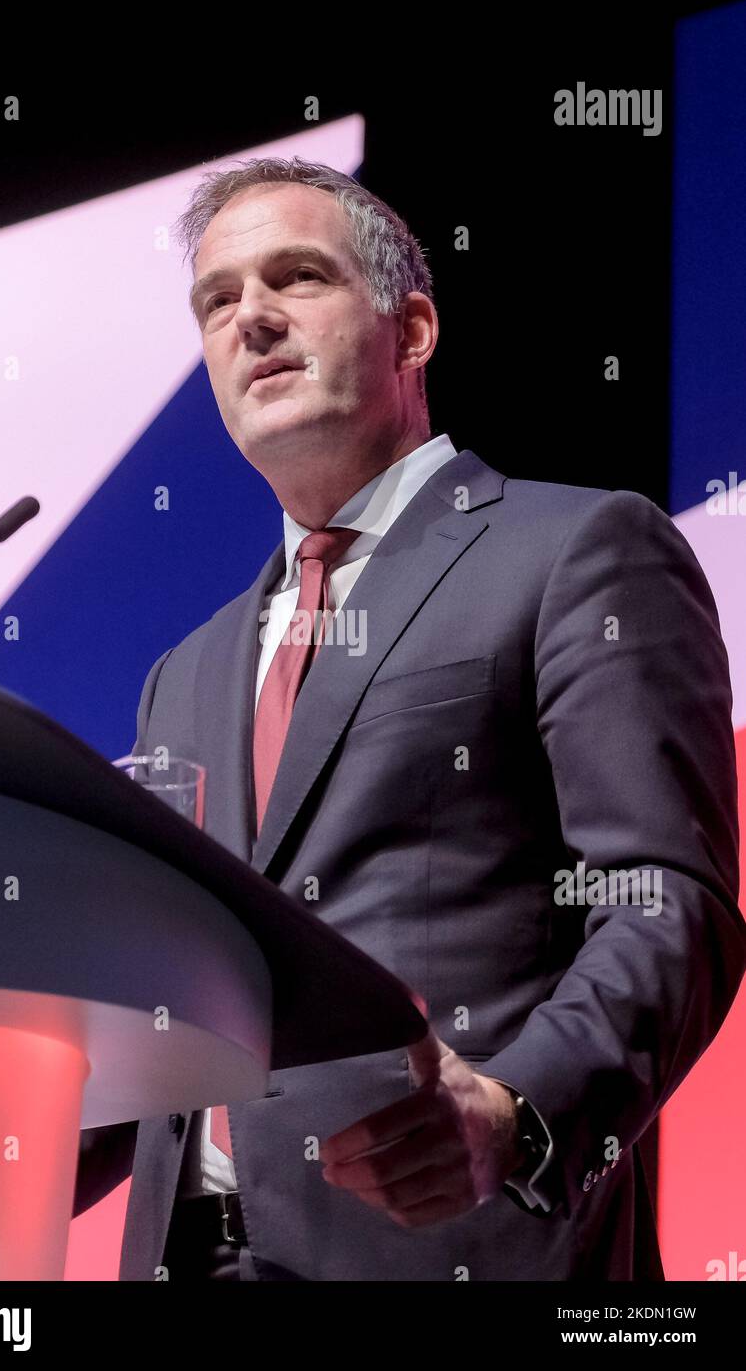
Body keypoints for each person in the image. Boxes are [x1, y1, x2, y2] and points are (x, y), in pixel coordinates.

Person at [74, 157, 745, 1281]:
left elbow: (663, 901)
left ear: (413, 328)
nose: (252, 320)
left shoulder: (577, 551)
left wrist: (515, 1114)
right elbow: (159, 1007)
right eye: (217, 300)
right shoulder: (178, 674)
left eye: (296, 276)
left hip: (453, 1248)